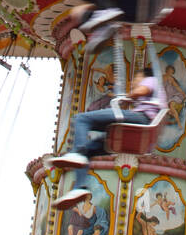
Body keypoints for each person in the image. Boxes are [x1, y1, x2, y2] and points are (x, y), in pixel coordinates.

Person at [52, 69, 165, 210]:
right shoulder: (155, 94)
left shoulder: (152, 80)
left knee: (81, 119)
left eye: (136, 78)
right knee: (87, 151)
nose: (134, 82)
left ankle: (77, 152)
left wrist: (128, 96)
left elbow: (141, 90)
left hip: (140, 120)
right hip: (134, 133)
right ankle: (79, 188)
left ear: (143, 77)